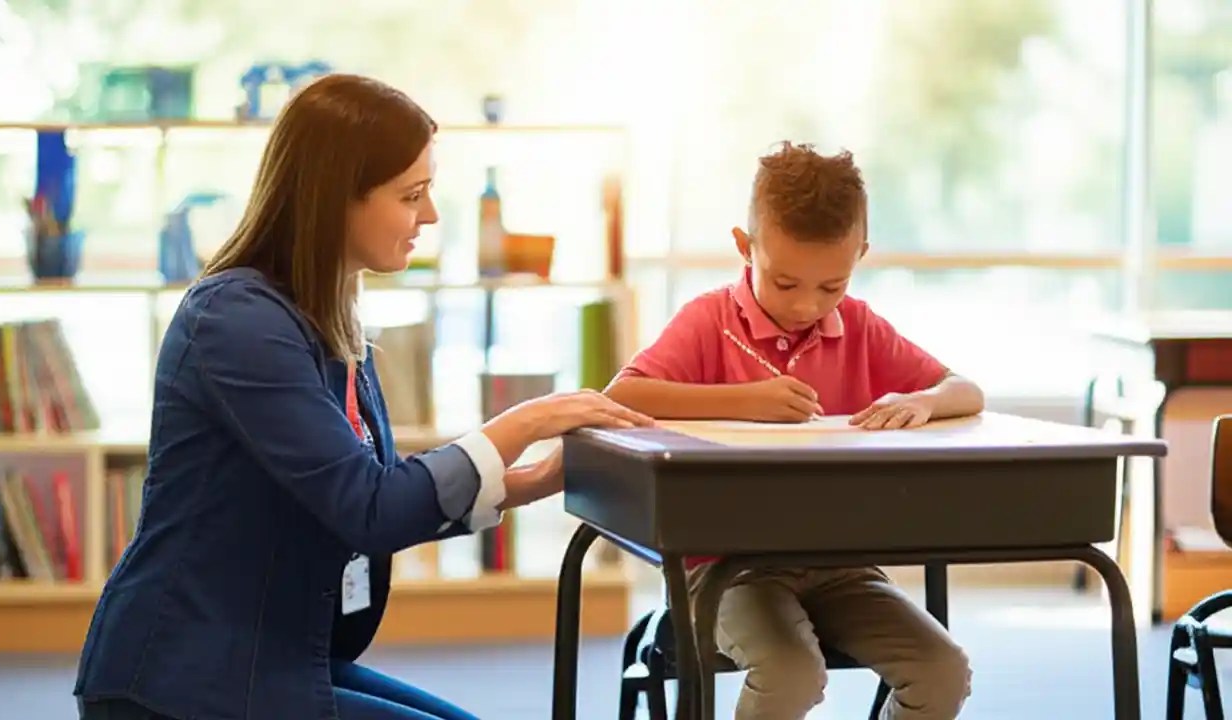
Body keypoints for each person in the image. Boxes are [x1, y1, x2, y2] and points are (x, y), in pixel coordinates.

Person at [72, 73, 652, 720]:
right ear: (337, 198)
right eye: (412, 195)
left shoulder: (332, 319)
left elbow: (387, 491)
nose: (430, 215)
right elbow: (369, 508)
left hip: (277, 659)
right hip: (186, 678)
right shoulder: (236, 321)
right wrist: (527, 421)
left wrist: (540, 478)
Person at [605, 143, 984, 719]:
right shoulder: (709, 321)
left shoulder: (859, 325)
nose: (807, 304)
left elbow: (965, 389)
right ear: (744, 246)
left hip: (840, 564)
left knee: (943, 669)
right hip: (725, 571)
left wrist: (923, 400)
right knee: (790, 674)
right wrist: (743, 402)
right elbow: (622, 395)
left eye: (831, 286)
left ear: (860, 254)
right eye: (785, 283)